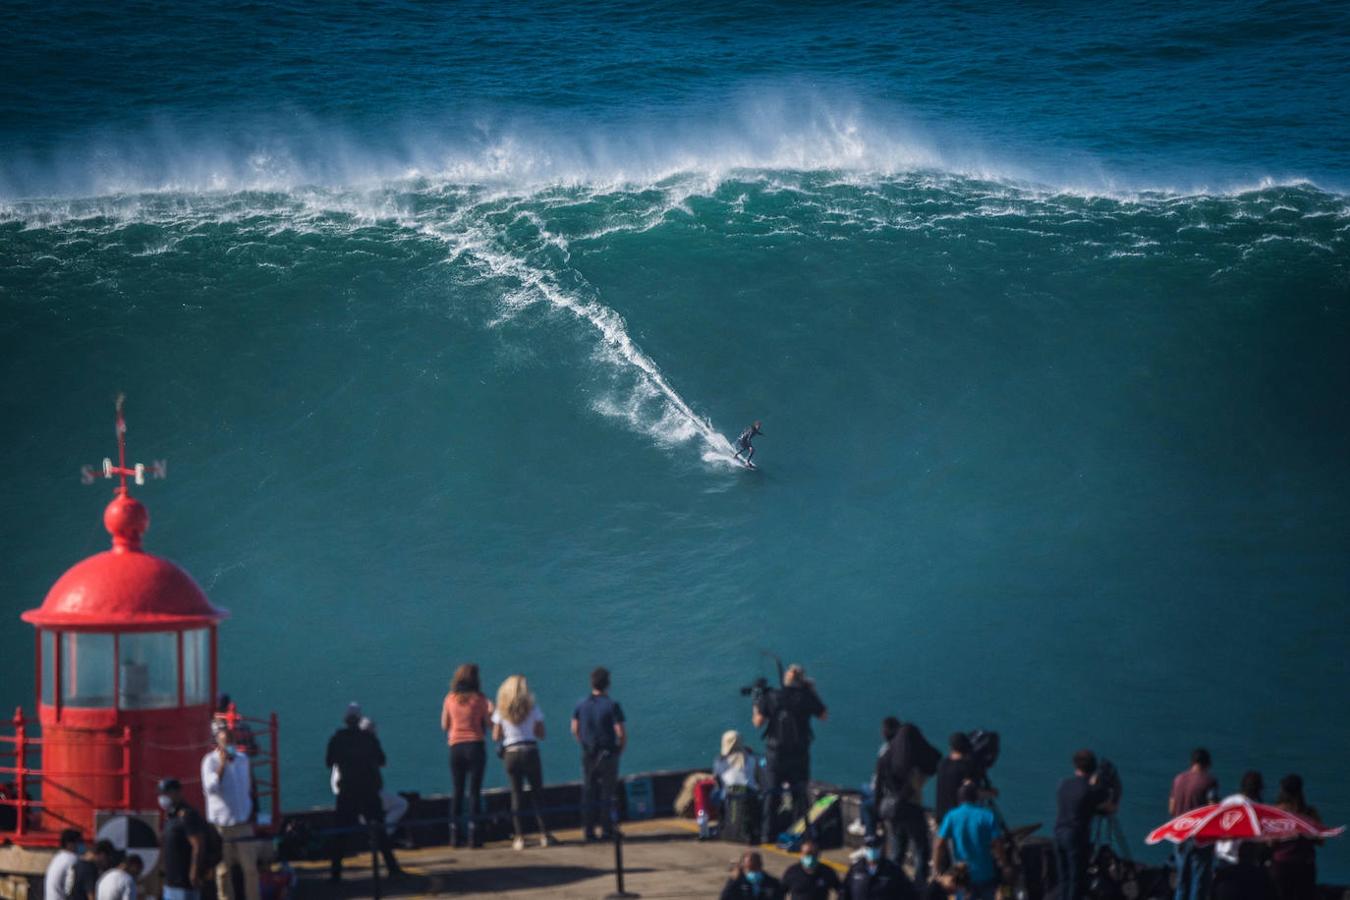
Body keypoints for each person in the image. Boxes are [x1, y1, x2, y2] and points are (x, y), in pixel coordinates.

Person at [326, 702, 401, 881]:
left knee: (341, 832)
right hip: (368, 790)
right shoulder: (368, 739)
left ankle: (335, 872)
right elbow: (382, 760)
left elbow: (329, 762)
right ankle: (392, 867)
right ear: (359, 720)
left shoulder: (337, 739)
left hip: (347, 790)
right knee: (379, 830)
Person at [753, 663, 827, 844]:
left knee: (771, 793)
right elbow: (823, 715)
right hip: (799, 755)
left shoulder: (772, 696)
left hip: (775, 754)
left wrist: (757, 702)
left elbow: (758, 722)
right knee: (799, 796)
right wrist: (811, 690)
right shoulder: (806, 697)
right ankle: (799, 835)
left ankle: (767, 834)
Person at [492, 674, 554, 851]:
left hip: (511, 754)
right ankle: (544, 834)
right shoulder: (533, 708)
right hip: (530, 751)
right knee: (537, 793)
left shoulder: (501, 710)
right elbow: (541, 733)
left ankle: (519, 837)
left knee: (516, 794)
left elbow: (496, 735)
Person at [876, 718, 939, 885]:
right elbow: (930, 766)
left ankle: (891, 883)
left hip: (892, 810)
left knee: (897, 849)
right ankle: (919, 884)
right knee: (921, 848)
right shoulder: (913, 762)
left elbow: (878, 787)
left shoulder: (885, 756)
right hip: (911, 808)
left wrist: (877, 814)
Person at [201, 719, 259, 900]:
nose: (230, 744)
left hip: (243, 822)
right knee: (223, 871)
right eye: (226, 741)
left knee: (251, 869)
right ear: (217, 742)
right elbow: (210, 788)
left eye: (231, 740)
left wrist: (252, 811)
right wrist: (222, 765)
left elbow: (248, 788)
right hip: (221, 827)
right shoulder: (209, 761)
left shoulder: (243, 760)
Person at [441, 663, 493, 848]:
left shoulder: (450, 698)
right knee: (474, 792)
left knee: (457, 790)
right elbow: (489, 723)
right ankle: (474, 836)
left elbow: (444, 725)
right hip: (475, 746)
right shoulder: (480, 699)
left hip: (456, 747)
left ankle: (454, 835)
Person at [572, 666, 627, 841]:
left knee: (588, 792)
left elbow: (574, 728)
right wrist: (619, 750)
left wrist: (583, 743)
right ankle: (607, 829)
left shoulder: (581, 704)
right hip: (608, 754)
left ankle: (588, 831)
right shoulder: (612, 705)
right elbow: (620, 733)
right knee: (607, 793)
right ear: (607, 684)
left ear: (592, 683)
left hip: (589, 754)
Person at [1053, 750, 1116, 900]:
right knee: (1076, 879)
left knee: (1064, 878)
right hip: (1075, 836)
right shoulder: (1090, 790)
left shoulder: (1063, 784)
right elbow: (1109, 806)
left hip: (1059, 833)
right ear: (1093, 767)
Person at [933, 782, 1004, 900]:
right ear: (976, 798)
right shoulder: (987, 815)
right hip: (986, 873)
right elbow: (998, 843)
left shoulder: (951, 816)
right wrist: (1004, 864)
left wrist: (936, 870)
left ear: (959, 799)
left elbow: (939, 845)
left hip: (963, 875)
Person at [1171, 748, 1220, 900]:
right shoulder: (1209, 781)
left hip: (1179, 835)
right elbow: (1213, 809)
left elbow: (1171, 808)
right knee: (1198, 883)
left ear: (1191, 762)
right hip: (1199, 838)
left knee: (1182, 882)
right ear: (1208, 764)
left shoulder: (1178, 780)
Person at [1270, 774, 1322, 900]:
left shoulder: (1276, 812)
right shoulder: (1310, 812)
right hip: (1305, 865)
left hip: (1281, 866)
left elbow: (1271, 842)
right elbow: (1321, 841)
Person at [158, 778, 209, 900]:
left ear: (177, 793)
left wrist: (194, 872)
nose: (162, 797)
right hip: (170, 882)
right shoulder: (170, 815)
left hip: (184, 883)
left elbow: (197, 845)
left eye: (166, 793)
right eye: (161, 794)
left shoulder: (188, 815)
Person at [933, 734, 992, 825]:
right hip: (956, 819)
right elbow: (974, 793)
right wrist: (992, 793)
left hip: (940, 817)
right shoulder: (965, 768)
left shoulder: (942, 764)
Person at [1217, 771, 1267, 866]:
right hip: (1240, 856)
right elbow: (1256, 837)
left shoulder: (1227, 801)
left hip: (1222, 852)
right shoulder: (1254, 807)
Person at [845, 834, 918, 900]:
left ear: (881, 848)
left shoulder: (893, 870)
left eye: (875, 847)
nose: (872, 850)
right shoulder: (855, 870)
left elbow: (908, 892)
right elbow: (845, 892)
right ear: (864, 849)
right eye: (869, 847)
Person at [44, 828, 83, 900]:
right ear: (70, 844)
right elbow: (71, 888)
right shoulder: (72, 859)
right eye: (79, 842)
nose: (81, 846)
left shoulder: (59, 857)